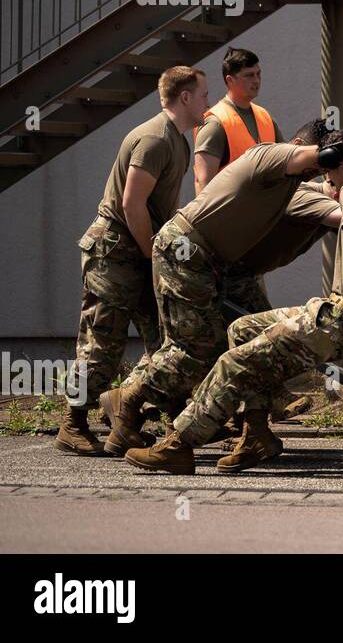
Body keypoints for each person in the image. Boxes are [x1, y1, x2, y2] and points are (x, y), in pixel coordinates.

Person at [101, 95, 343, 456]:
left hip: (226, 265)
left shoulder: (326, 184)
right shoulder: (271, 158)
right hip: (186, 251)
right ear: (300, 149)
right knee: (197, 350)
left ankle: (253, 431)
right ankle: (132, 403)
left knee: (244, 334)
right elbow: (342, 162)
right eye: (318, 163)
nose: (321, 173)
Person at [55, 66, 209, 457]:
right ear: (185, 97)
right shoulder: (154, 139)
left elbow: (158, 206)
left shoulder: (178, 141)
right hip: (115, 251)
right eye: (203, 95)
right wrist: (151, 254)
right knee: (101, 342)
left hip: (138, 250)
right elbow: (131, 203)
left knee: (164, 338)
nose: (208, 103)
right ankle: (71, 424)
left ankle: (146, 423)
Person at [192, 47, 282, 195]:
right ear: (230, 80)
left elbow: (286, 161)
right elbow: (204, 184)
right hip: (231, 215)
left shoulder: (265, 116)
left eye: (258, 74)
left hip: (264, 212)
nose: (256, 80)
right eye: (249, 75)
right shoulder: (215, 123)